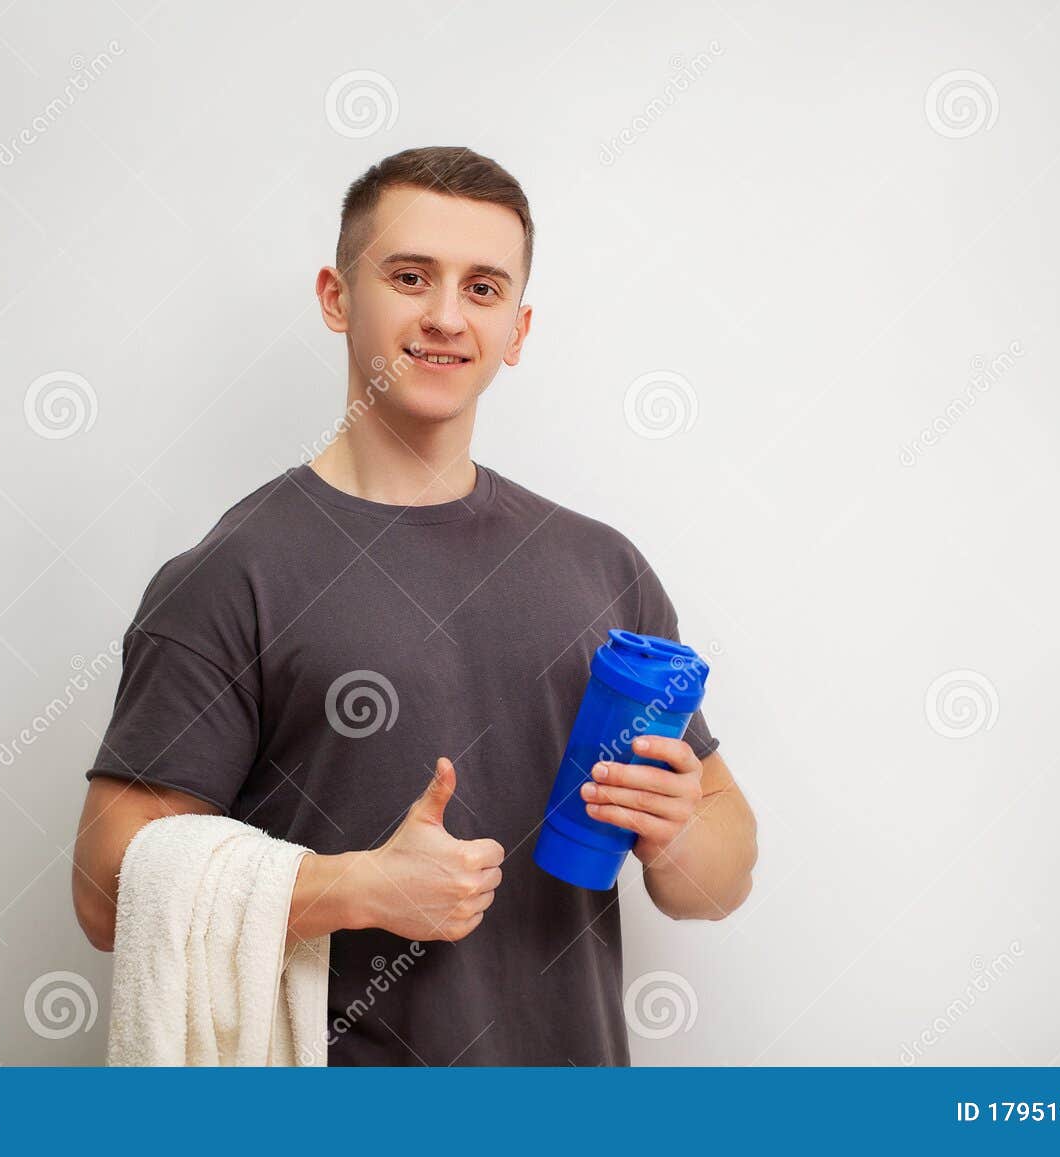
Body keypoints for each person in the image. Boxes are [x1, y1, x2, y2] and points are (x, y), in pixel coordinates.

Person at [72, 145, 758, 1065]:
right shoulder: (233, 573)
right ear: (336, 297)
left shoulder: (603, 566)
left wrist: (677, 835)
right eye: (409, 276)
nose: (444, 316)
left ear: (517, 328)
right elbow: (104, 893)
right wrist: (358, 890)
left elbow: (718, 879)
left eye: (483, 288)